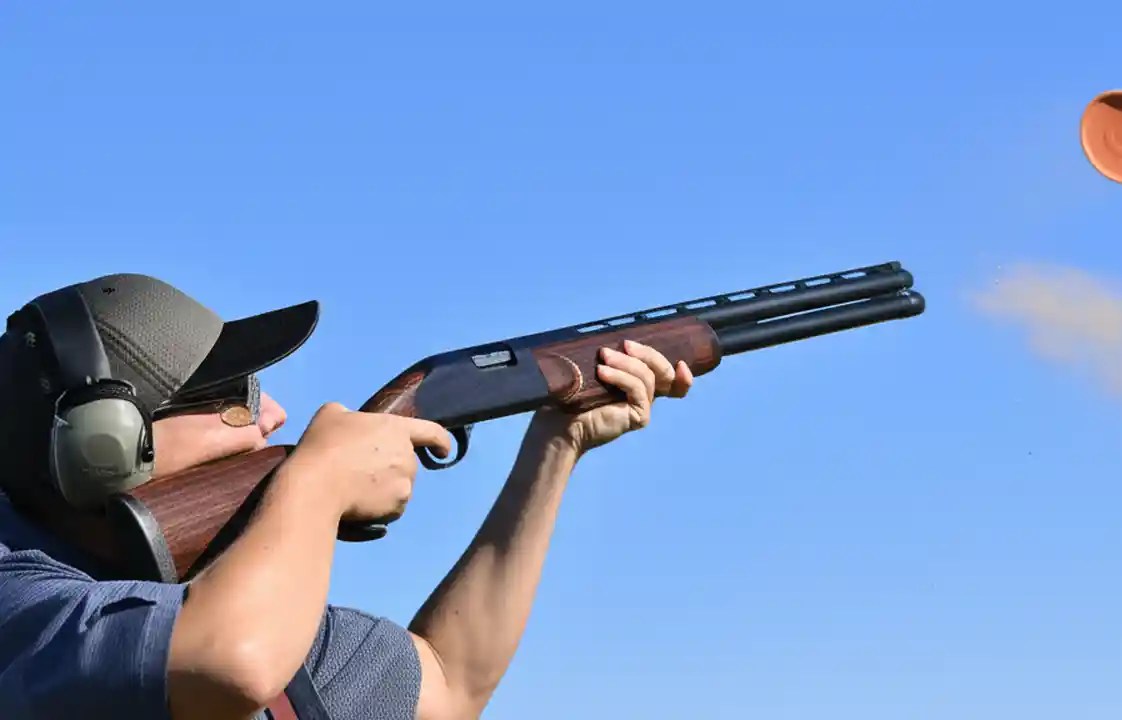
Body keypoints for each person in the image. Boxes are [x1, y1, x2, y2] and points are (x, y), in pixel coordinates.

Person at [0, 272, 695, 720]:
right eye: (232, 401)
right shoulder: (22, 601)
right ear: (103, 445)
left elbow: (450, 686)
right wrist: (319, 482)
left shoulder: (246, 609)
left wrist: (555, 450)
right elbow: (232, 663)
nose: (273, 415)